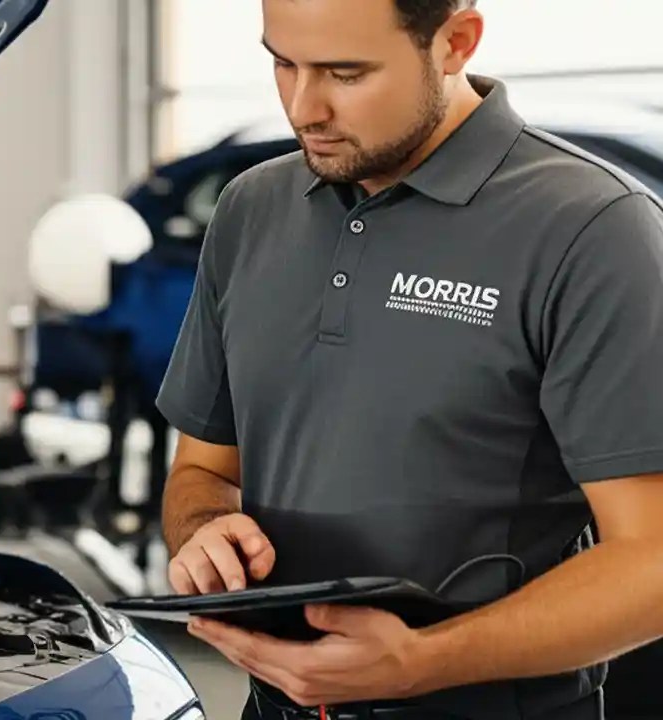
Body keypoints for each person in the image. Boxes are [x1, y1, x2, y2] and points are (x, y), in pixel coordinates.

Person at [156, 1, 663, 718]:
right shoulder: (250, 211)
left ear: (455, 43)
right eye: (283, 62)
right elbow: (202, 471)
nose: (305, 107)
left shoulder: (591, 230)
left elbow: (653, 563)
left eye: (345, 72)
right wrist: (204, 529)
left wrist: (421, 664)